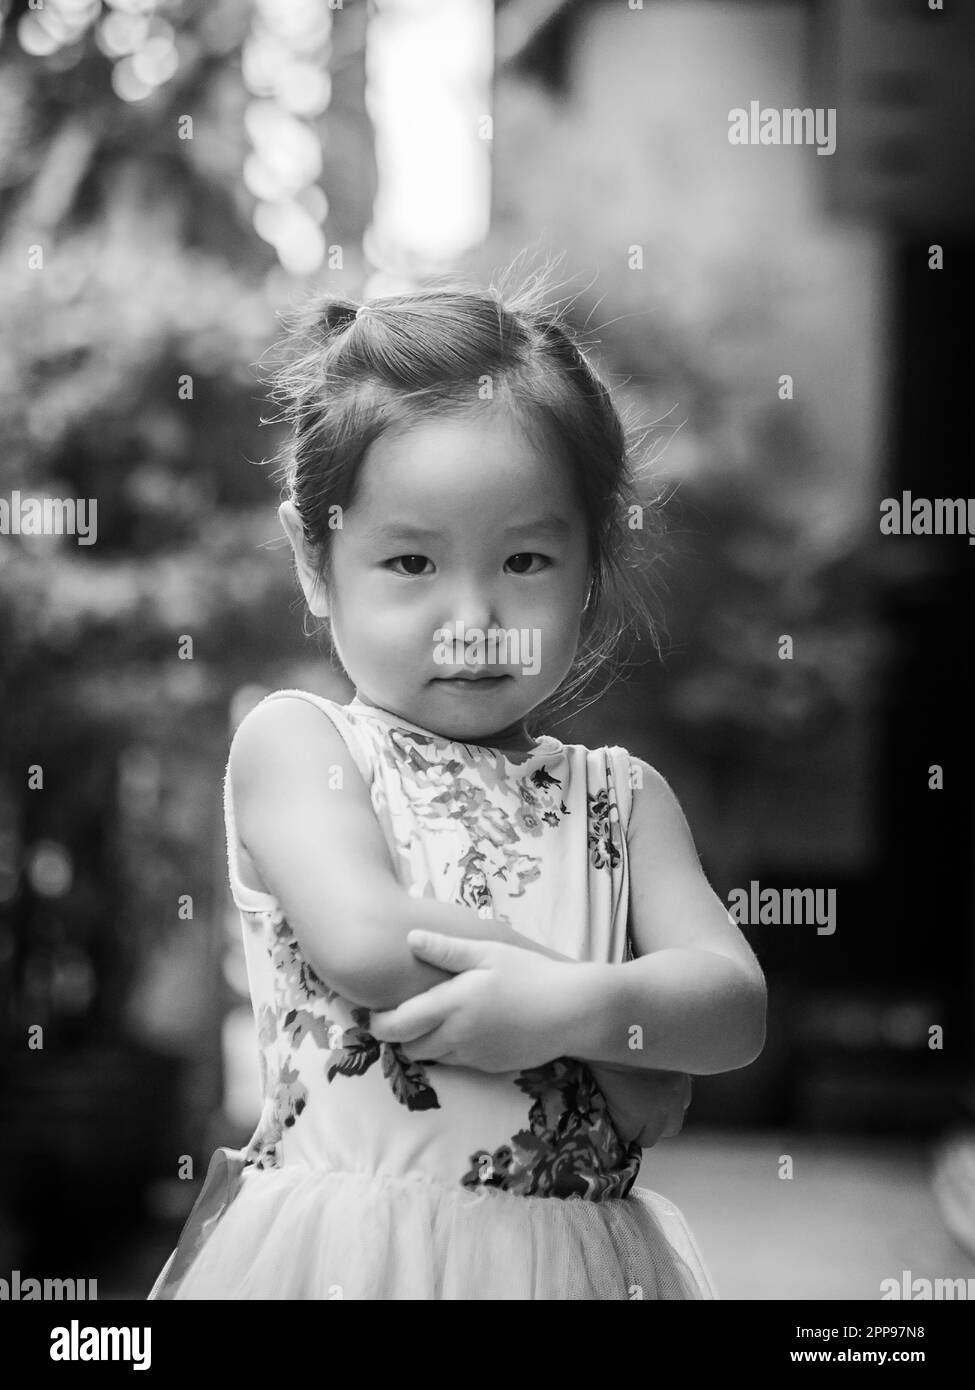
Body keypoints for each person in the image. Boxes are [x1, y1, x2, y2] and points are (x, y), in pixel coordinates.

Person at [147, 271, 766, 1300]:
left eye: (525, 559)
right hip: (356, 1264)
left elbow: (732, 1006)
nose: (472, 614)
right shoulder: (303, 746)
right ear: (316, 559)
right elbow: (370, 940)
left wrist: (578, 1011)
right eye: (409, 563)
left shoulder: (623, 801)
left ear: (593, 568)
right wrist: (603, 1021)